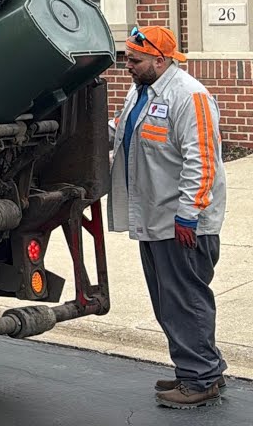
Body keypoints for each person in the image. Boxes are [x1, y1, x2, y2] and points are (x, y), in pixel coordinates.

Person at [108, 25, 227, 409]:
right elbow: (120, 131)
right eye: (128, 57)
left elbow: (202, 160)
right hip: (155, 217)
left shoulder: (189, 96)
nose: (128, 65)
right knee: (168, 301)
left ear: (160, 60)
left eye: (135, 59)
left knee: (185, 300)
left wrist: (188, 216)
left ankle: (200, 379)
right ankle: (199, 368)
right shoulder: (140, 91)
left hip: (182, 222)